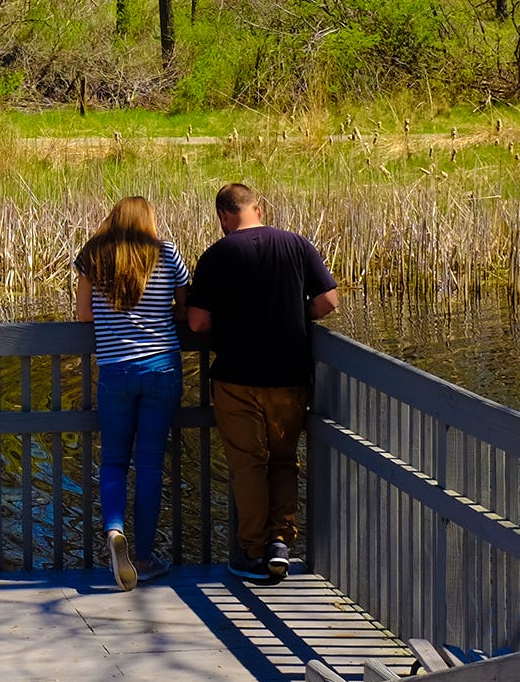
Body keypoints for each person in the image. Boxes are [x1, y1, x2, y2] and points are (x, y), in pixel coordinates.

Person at [185, 182, 338, 585]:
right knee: (284, 459)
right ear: (258, 207)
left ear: (222, 215)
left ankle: (252, 551)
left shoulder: (218, 255)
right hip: (289, 374)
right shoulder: (296, 244)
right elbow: (328, 301)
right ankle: (281, 544)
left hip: (237, 377)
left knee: (248, 464)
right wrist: (296, 312)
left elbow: (198, 322)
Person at [74, 195, 191, 591]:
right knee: (151, 464)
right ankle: (143, 556)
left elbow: (84, 315)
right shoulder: (168, 253)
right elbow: (184, 306)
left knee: (113, 462)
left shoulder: (93, 255)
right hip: (161, 367)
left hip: (115, 369)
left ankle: (113, 529)